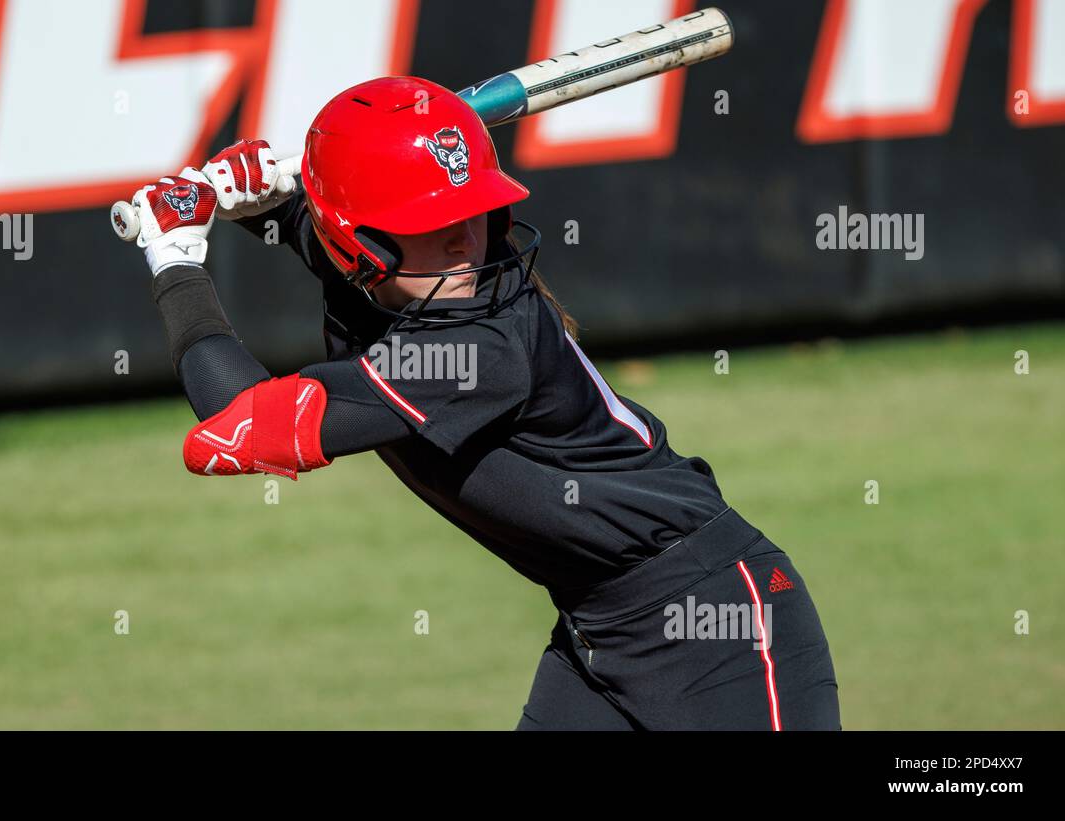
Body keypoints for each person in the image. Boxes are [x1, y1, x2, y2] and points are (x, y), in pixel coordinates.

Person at [114, 76, 841, 730]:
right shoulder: (392, 284)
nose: (464, 237)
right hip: (601, 627)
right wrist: (273, 198)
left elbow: (236, 426)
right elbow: (328, 240)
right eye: (430, 220)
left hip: (721, 624)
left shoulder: (477, 345)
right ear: (361, 245)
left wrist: (176, 263)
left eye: (473, 210)